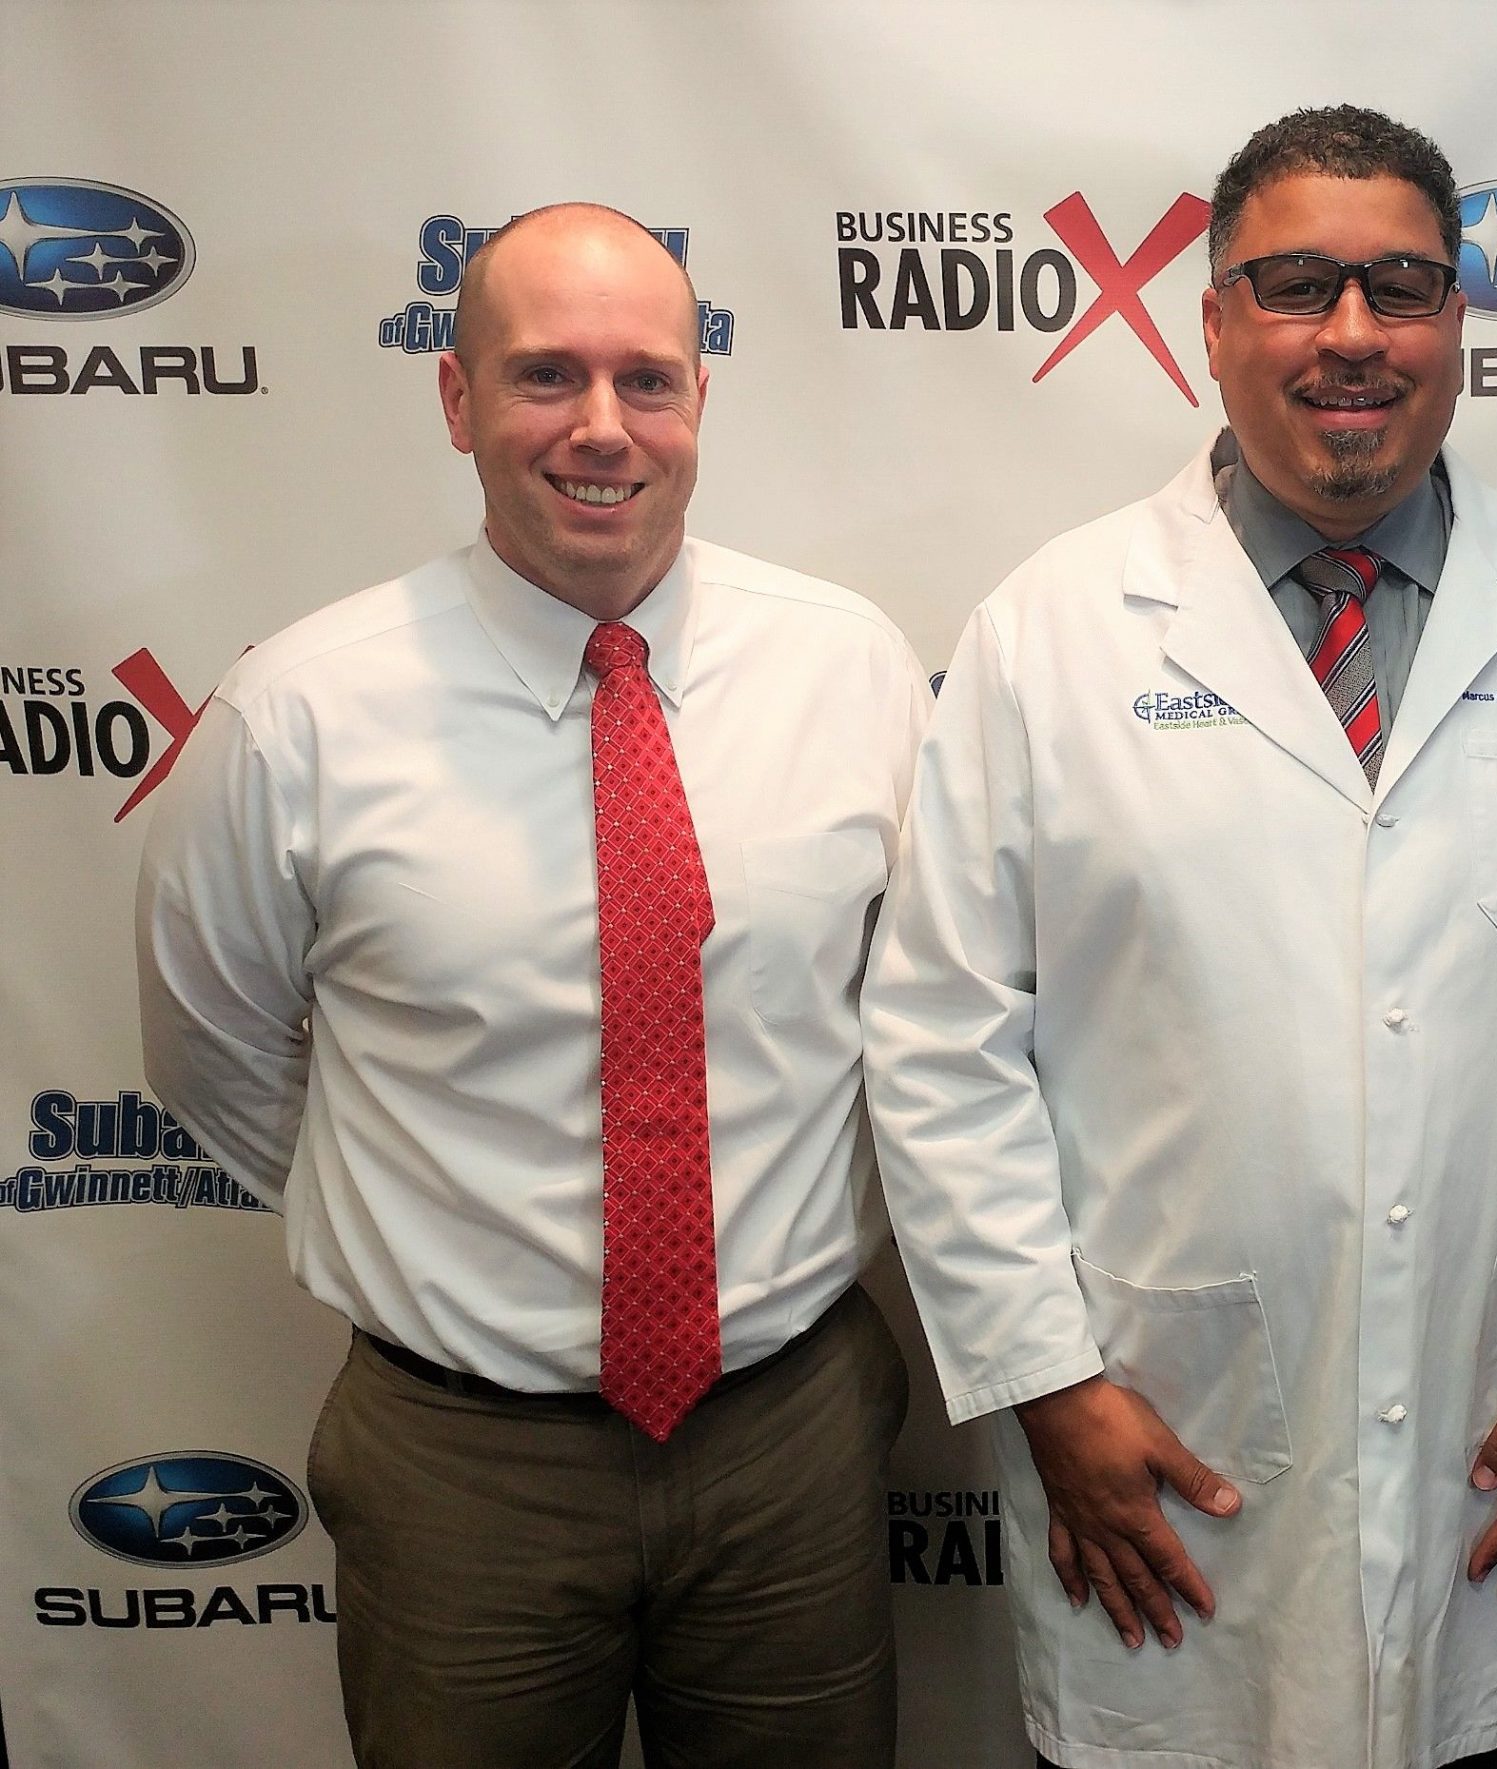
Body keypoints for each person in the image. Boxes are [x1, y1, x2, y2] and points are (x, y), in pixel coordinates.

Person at [859, 106, 1497, 1769]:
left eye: (1400, 286)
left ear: (1457, 323)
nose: (1353, 332)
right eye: (1296, 285)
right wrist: (1047, 1382)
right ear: (1214, 322)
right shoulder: (1052, 632)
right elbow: (940, 1038)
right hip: (1161, 1452)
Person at [134, 203, 925, 1769]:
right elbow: (214, 1054)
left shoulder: (852, 671)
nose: (602, 427)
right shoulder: (299, 713)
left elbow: (927, 1018)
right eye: (546, 374)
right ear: (457, 398)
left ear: (700, 399)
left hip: (791, 1438)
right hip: (459, 1467)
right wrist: (442, 1228)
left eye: (647, 379)